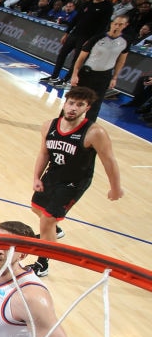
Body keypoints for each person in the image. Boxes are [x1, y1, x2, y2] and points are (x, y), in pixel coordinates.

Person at [29, 86, 123, 277]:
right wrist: (36, 177)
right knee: (37, 208)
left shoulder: (95, 133)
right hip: (53, 175)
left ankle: (43, 263)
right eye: (71, 103)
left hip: (74, 182)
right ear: (65, 103)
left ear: (87, 108)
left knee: (47, 220)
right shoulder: (49, 125)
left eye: (80, 105)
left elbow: (109, 161)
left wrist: (115, 188)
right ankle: (54, 230)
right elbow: (44, 152)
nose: (73, 108)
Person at [40, 0, 112, 87]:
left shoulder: (107, 7)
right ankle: (54, 76)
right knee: (62, 54)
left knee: (76, 60)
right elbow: (76, 19)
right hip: (75, 34)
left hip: (86, 37)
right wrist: (67, 33)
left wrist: (92, 40)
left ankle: (66, 80)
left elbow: (103, 26)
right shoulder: (88, 3)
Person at [68, 15, 131, 124]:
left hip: (104, 76)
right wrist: (75, 74)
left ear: (125, 25)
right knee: (74, 99)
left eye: (120, 24)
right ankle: (64, 122)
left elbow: (121, 61)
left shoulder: (125, 42)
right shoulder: (97, 38)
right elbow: (81, 58)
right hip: (87, 73)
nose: (117, 26)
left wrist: (114, 77)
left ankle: (87, 128)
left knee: (95, 104)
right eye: (115, 23)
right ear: (111, 24)